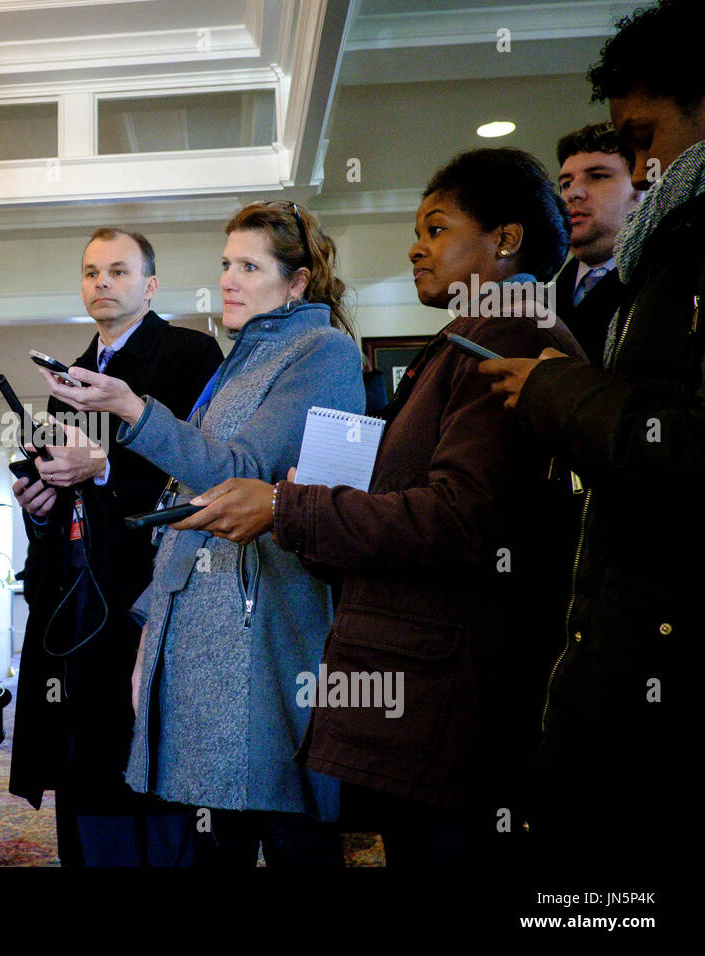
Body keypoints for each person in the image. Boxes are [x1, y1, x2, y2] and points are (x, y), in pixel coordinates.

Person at [171, 151, 583, 866]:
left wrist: (287, 507)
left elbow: (460, 519)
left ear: (505, 241)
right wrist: (317, 507)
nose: (415, 246)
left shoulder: (511, 333)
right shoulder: (466, 339)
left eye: (436, 227)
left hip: (451, 691)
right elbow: (407, 506)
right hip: (426, 683)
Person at [42, 201, 364, 866]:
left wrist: (132, 410)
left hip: (263, 625)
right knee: (215, 834)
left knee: (288, 829)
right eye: (226, 264)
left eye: (250, 265)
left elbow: (239, 474)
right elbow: (186, 494)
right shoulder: (241, 358)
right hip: (200, 621)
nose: (230, 279)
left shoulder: (322, 349)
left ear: (297, 282)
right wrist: (150, 625)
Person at [479, 0, 704, 870]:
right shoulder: (660, 258)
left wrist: (559, 390)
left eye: (643, 142)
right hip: (599, 631)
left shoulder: (677, 249)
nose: (647, 168)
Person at [8, 227, 223, 866]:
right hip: (75, 593)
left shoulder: (191, 355)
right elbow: (64, 485)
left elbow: (205, 473)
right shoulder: (67, 379)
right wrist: (40, 507)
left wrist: (102, 469)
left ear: (150, 284)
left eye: (119, 271)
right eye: (92, 271)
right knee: (83, 755)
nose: (103, 282)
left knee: (146, 751)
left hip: (152, 592)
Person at [553, 122, 643, 362]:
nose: (573, 193)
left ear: (643, 187)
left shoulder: (670, 284)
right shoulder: (540, 299)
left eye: (598, 176)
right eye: (566, 183)